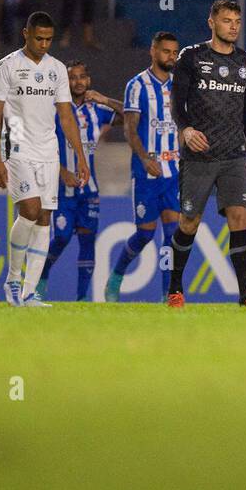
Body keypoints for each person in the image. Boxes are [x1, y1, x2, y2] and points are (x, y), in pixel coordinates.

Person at [166, 1, 246, 308]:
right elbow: (177, 103)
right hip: (199, 155)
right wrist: (186, 129)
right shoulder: (191, 57)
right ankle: (175, 289)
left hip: (235, 156)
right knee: (189, 222)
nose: (233, 26)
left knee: (240, 218)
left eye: (237, 21)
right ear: (211, 22)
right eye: (227, 21)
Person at [0, 12, 89, 308]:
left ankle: (30, 292)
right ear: (25, 34)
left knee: (44, 218)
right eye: (38, 38)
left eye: (48, 39)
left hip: (48, 150)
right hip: (17, 145)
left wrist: (80, 155)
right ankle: (12, 280)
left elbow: (66, 116)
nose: (44, 44)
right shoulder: (7, 66)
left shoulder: (56, 69)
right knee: (29, 210)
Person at [105, 32, 181, 302]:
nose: (170, 56)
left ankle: (168, 295)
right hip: (146, 173)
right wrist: (145, 159)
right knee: (145, 234)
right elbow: (130, 128)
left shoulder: (179, 85)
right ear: (153, 51)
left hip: (173, 171)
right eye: (165, 51)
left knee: (172, 235)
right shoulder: (136, 86)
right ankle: (117, 274)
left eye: (174, 52)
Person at [38, 60, 115, 301]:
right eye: (72, 78)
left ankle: (82, 299)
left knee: (87, 240)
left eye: (82, 77)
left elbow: (134, 114)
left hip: (89, 190)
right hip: (61, 187)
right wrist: (62, 171)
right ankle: (41, 277)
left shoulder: (97, 110)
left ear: (89, 80)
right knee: (60, 237)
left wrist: (106, 100)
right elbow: (41, 145)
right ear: (64, 81)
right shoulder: (55, 109)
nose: (78, 82)